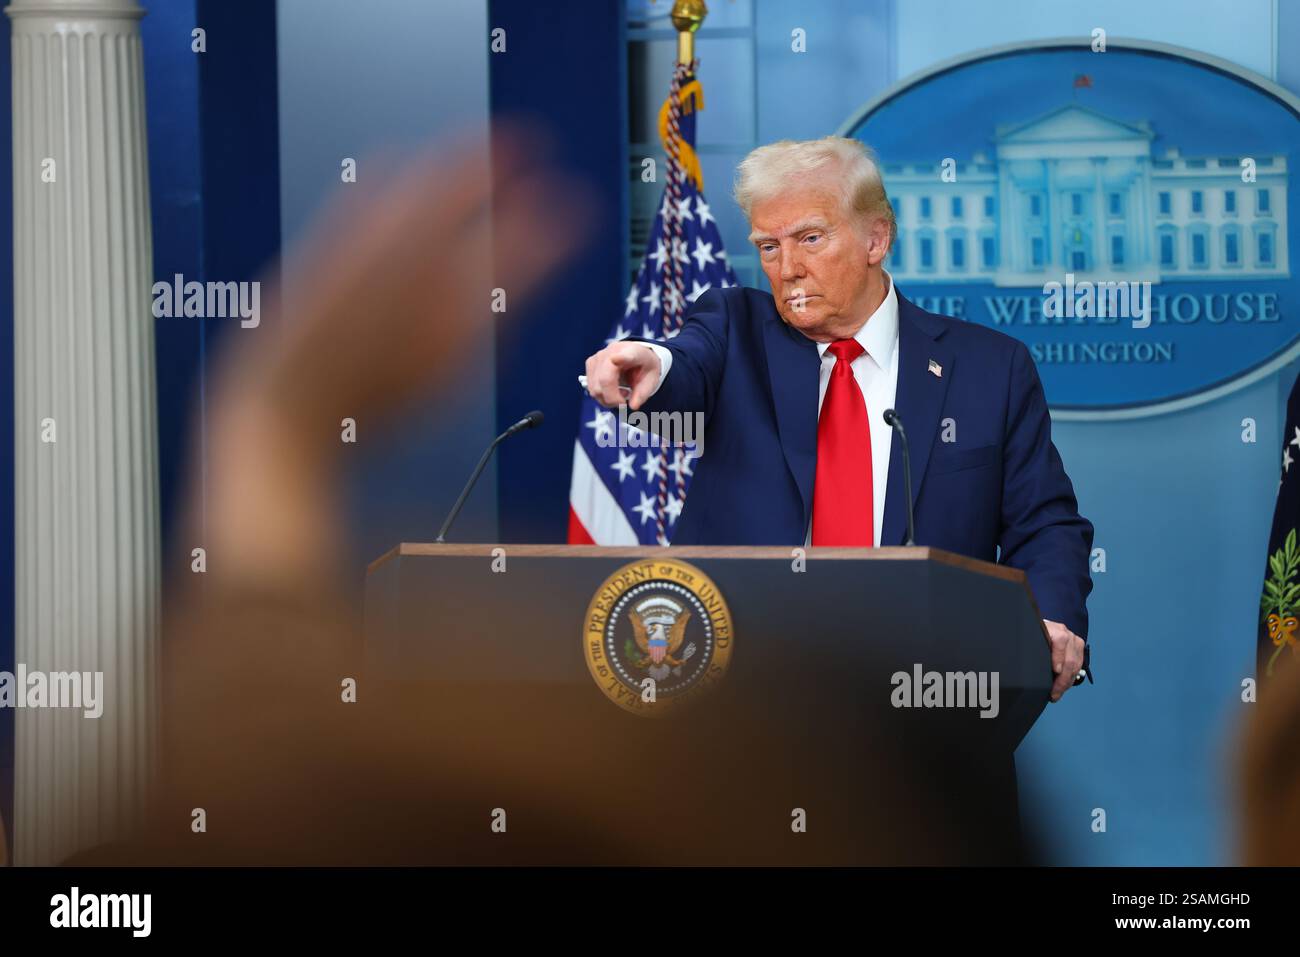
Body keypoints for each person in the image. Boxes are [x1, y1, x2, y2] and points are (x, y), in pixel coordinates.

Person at [584, 136, 1094, 701]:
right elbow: (686, 363)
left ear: (876, 238)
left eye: (809, 238)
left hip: (927, 696)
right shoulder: (736, 332)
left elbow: (1044, 524)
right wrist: (651, 364)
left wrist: (1048, 620)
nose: (788, 268)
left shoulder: (990, 369)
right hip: (740, 697)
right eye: (769, 246)